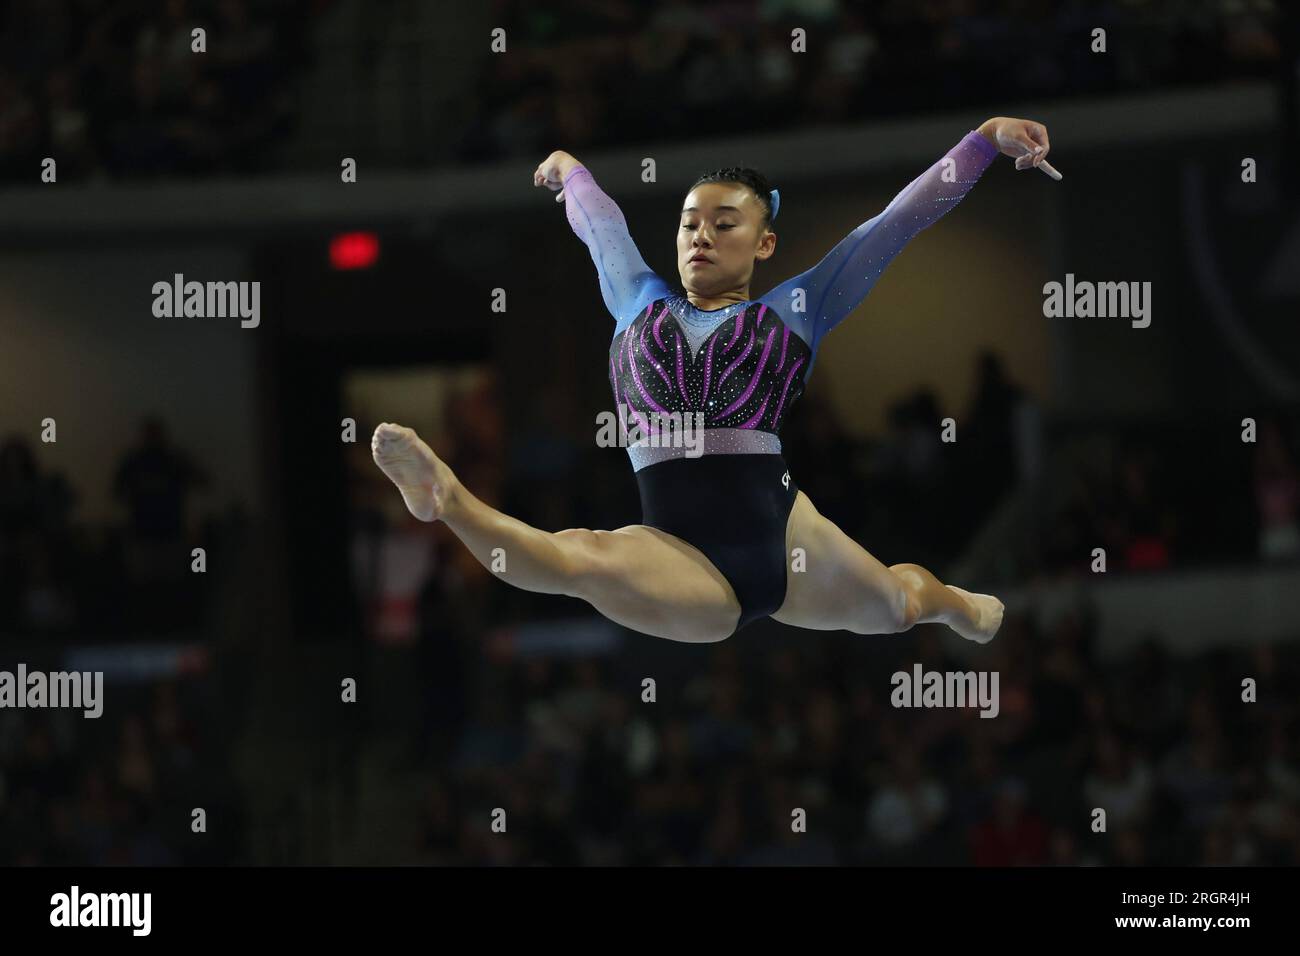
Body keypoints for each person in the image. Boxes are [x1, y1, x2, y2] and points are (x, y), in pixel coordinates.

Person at [373, 116, 1056, 644]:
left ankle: (958, 606)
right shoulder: (636, 300)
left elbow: (894, 224)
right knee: (580, 559)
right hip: (677, 551)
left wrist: (984, 141)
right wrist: (571, 173)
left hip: (786, 536)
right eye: (689, 224)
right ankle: (446, 500)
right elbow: (601, 225)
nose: (701, 235)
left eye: (724, 224)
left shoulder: (796, 309)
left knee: (900, 607)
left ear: (764, 243)